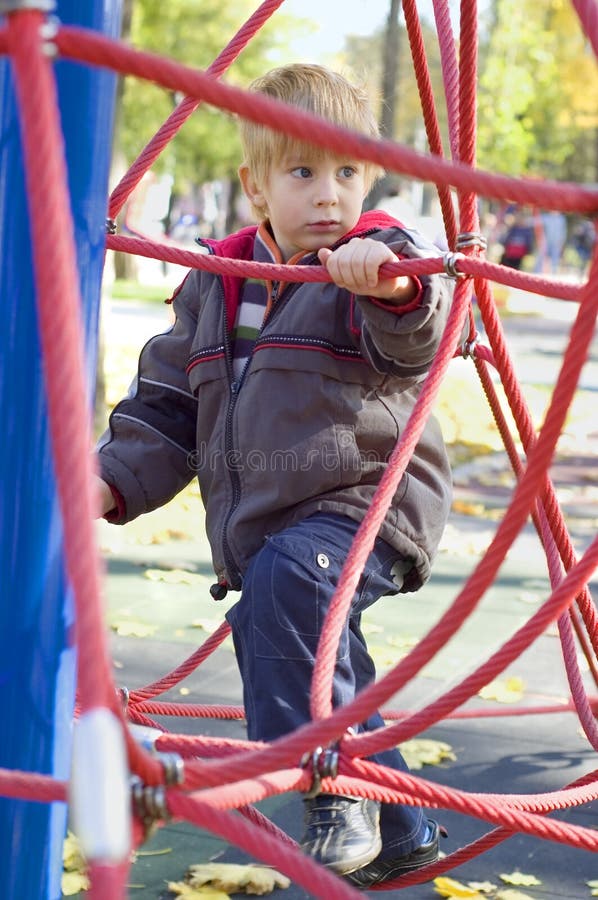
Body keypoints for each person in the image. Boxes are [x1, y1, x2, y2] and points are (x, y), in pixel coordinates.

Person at [96, 64, 454, 888]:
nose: (330, 195)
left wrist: (392, 287)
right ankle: (401, 823)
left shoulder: (376, 261)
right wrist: (110, 480)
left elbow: (418, 335)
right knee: (295, 632)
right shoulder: (214, 286)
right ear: (255, 188)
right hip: (271, 529)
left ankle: (331, 794)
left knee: (293, 588)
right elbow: (165, 409)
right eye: (303, 173)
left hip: (364, 506)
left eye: (347, 172)